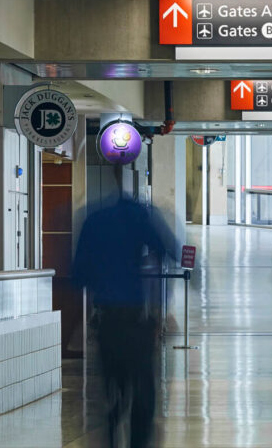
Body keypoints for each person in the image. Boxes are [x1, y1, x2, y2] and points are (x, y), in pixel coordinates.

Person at [72, 188, 177, 448]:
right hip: (137, 321)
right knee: (143, 394)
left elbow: (79, 276)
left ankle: (111, 428)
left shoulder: (93, 219)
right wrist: (159, 310)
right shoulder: (140, 215)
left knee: (111, 392)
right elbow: (166, 251)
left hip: (107, 322)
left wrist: (83, 319)